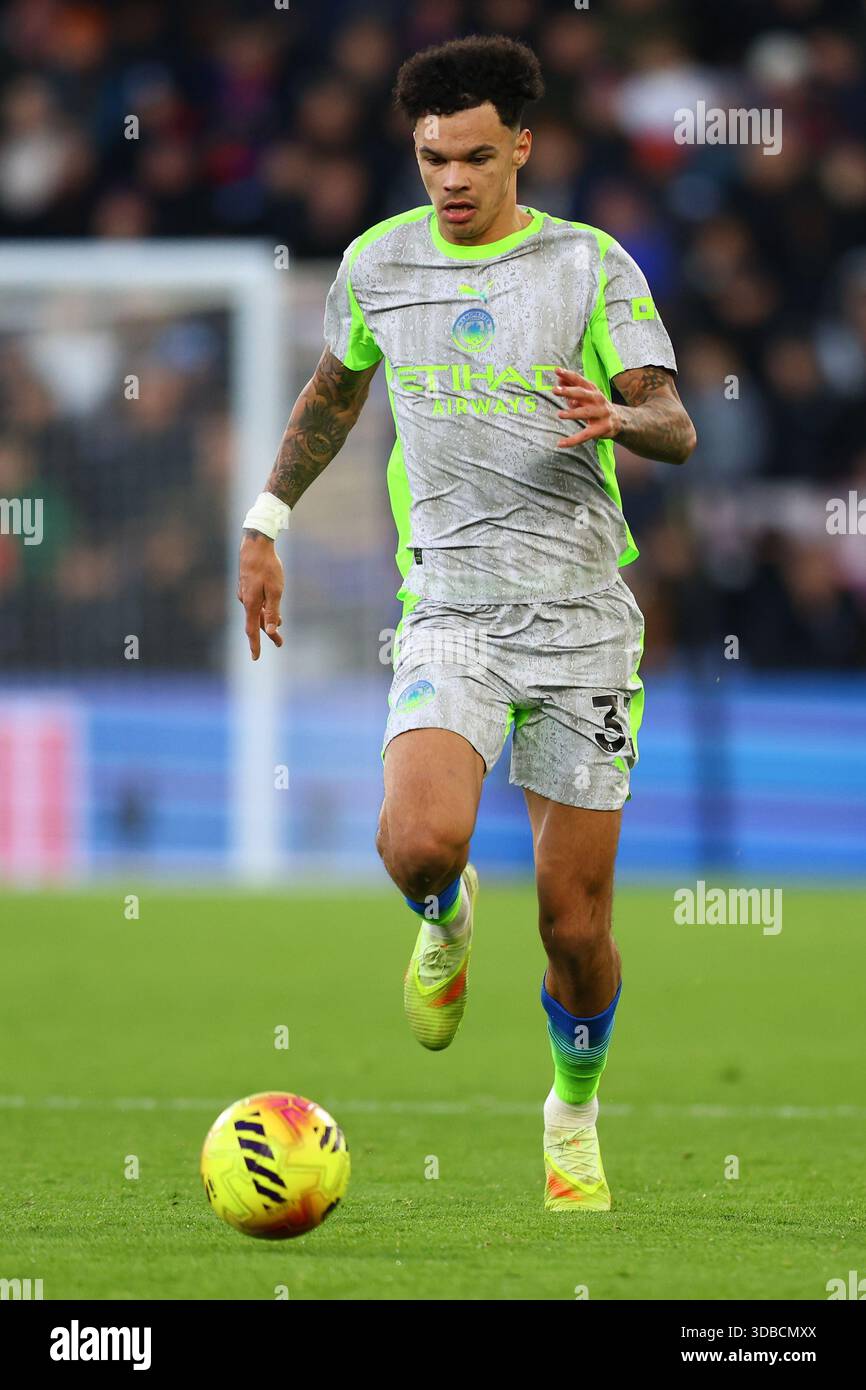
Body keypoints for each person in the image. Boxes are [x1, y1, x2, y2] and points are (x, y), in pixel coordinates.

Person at [238, 34, 696, 1212]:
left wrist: (617, 421)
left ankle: (571, 1114)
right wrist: (265, 520)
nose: (449, 179)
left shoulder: (590, 267)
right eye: (432, 157)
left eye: (474, 157)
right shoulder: (377, 266)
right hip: (449, 608)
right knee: (417, 842)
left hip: (584, 620)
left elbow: (673, 422)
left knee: (574, 927)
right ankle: (441, 920)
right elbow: (331, 398)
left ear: (522, 151)